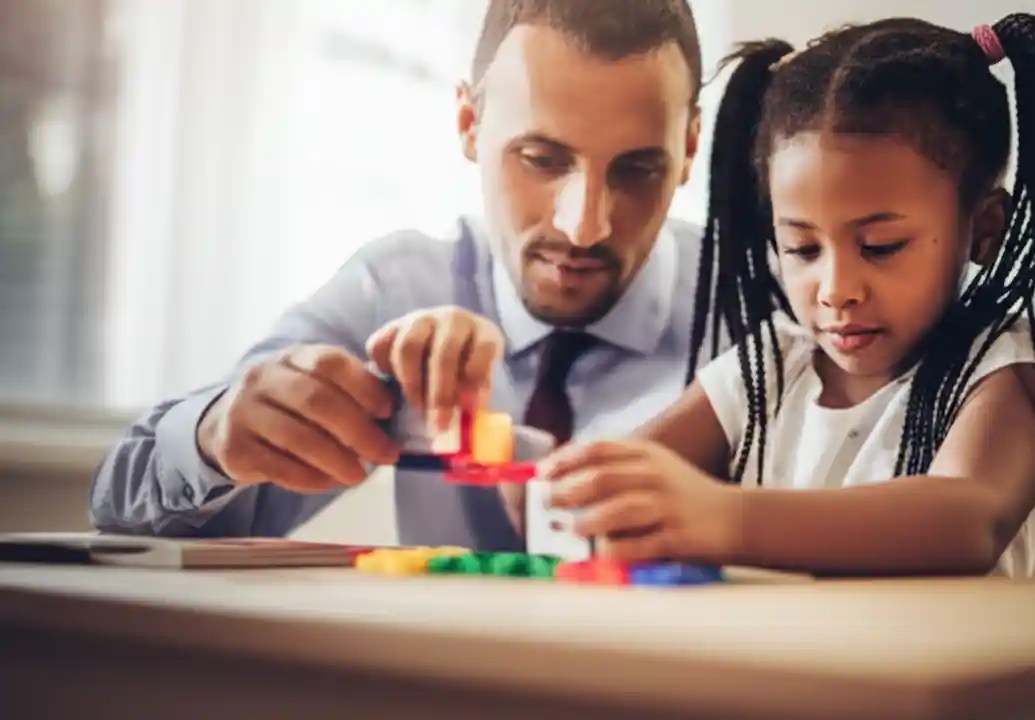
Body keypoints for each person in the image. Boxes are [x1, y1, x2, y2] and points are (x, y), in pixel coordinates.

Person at [534, 15, 1035, 578]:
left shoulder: (1008, 373)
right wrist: (561, 484)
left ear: (984, 229)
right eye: (803, 250)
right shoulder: (768, 370)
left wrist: (726, 518)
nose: (836, 291)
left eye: (882, 246)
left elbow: (966, 519)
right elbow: (622, 478)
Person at [89, 0, 707, 551]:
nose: (584, 227)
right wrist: (215, 435)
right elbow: (122, 516)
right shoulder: (396, 291)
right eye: (541, 159)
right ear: (468, 124)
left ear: (690, 145)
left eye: (637, 170)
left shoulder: (765, 310)